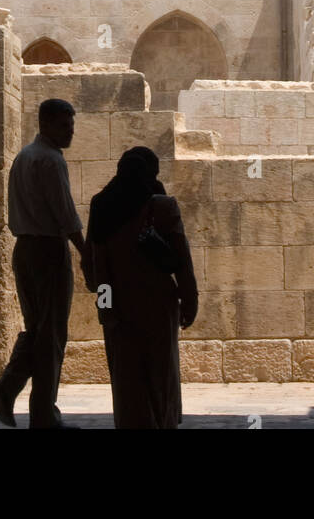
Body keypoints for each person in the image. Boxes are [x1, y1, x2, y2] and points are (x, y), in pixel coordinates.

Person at [83, 146, 198, 429]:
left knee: (126, 381)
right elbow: (182, 259)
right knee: (161, 375)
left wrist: (106, 310)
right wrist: (189, 301)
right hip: (159, 305)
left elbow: (98, 267)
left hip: (120, 308)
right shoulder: (162, 205)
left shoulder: (102, 205)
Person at [0, 98, 85, 429]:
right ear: (44, 124)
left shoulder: (24, 157)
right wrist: (86, 253)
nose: (69, 131)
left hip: (24, 251)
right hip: (48, 252)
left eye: (71, 124)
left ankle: (9, 390)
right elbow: (66, 214)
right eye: (63, 125)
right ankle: (40, 413)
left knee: (39, 331)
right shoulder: (50, 161)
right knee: (52, 335)